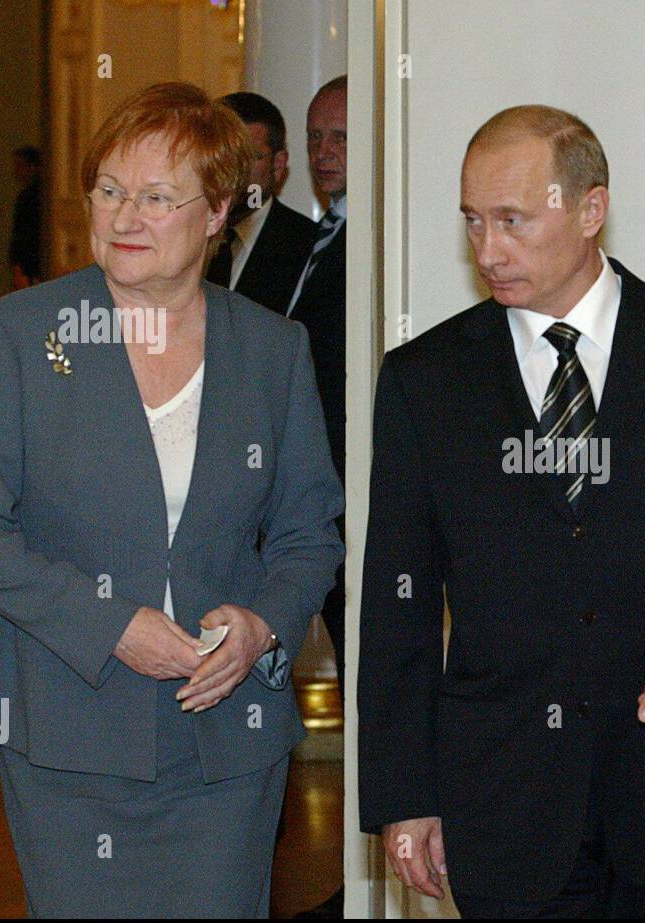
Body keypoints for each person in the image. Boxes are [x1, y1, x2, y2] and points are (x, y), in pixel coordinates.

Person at [358, 105, 645, 918]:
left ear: (590, 209)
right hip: (503, 800)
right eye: (473, 221)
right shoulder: (424, 380)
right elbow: (398, 605)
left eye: (512, 220)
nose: (488, 249)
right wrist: (404, 796)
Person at [0, 82, 344, 918]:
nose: (125, 215)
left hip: (227, 736)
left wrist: (263, 623)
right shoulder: (18, 335)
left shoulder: (272, 349)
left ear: (217, 207)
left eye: (157, 197)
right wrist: (111, 623)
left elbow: (310, 532)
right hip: (67, 731)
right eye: (110, 189)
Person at [288, 76, 347, 679]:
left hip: (345, 465)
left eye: (340, 139)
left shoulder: (373, 238)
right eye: (314, 138)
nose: (323, 153)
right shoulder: (319, 234)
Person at [205, 92, 315, 316]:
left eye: (248, 158)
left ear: (278, 164)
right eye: (224, 155)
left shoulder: (307, 245)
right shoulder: (189, 232)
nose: (234, 170)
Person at [9, 146, 42, 284]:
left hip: (31, 261)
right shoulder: (26, 196)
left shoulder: (33, 197)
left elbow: (24, 233)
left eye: (20, 165)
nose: (16, 171)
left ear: (32, 167)